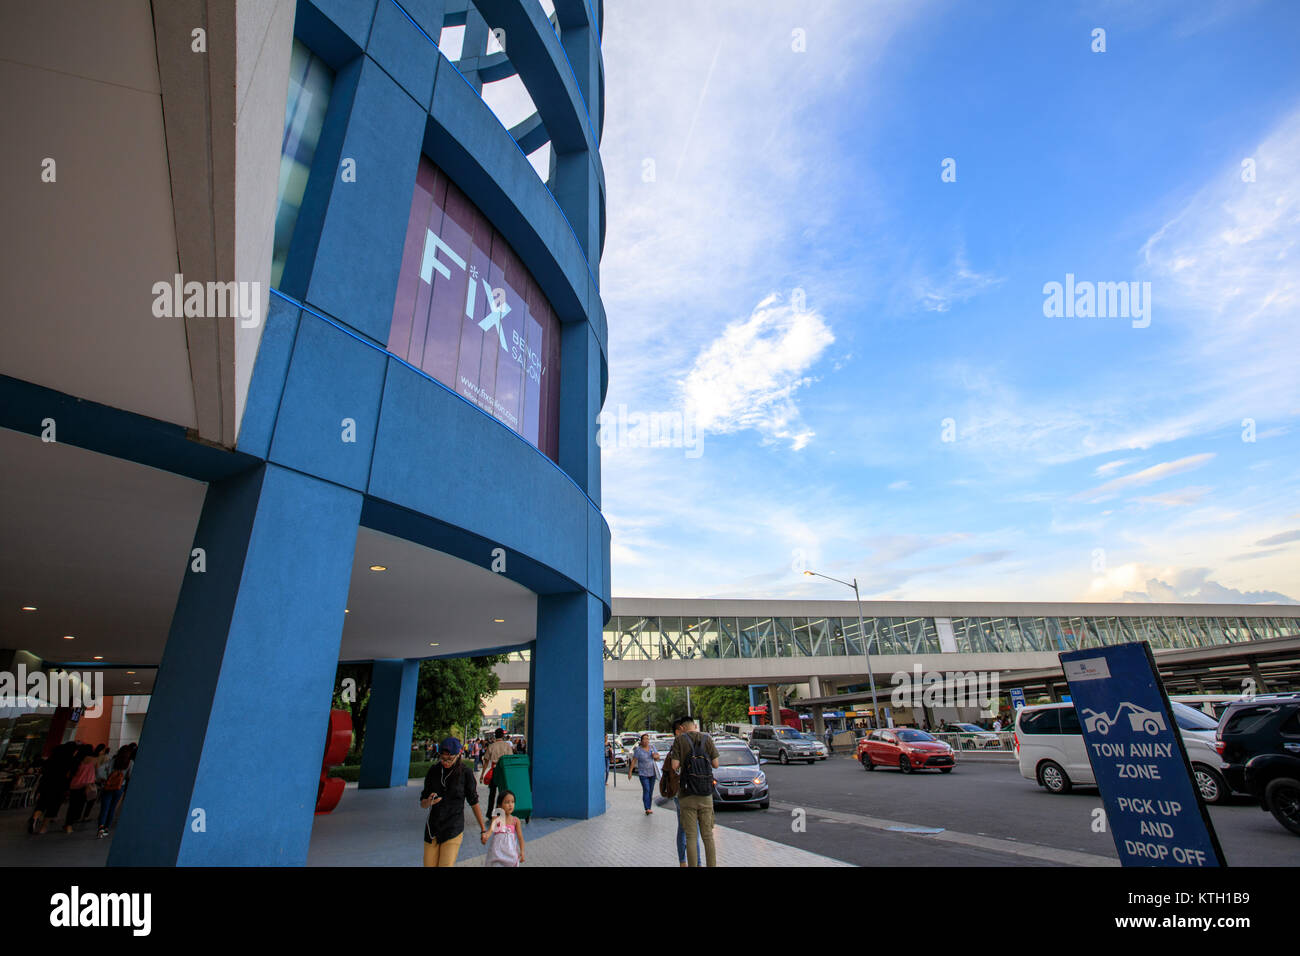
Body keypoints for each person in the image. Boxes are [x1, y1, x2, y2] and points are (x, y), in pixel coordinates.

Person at [420, 737, 485, 867]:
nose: (445, 762)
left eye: (450, 759)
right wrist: (428, 801)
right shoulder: (434, 771)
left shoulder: (465, 773)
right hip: (432, 827)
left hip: (453, 826)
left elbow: (473, 801)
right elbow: (422, 802)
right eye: (442, 758)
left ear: (458, 755)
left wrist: (483, 829)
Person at [668, 715, 719, 867]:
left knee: (691, 836)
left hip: (687, 794)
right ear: (695, 726)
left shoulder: (679, 740)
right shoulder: (707, 739)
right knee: (708, 836)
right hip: (705, 793)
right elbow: (716, 764)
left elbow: (674, 765)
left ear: (682, 728)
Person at [662, 718, 701, 867]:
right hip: (685, 792)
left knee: (685, 829)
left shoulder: (683, 745)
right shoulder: (680, 746)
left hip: (687, 792)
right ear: (679, 730)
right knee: (692, 831)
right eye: (684, 729)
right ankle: (694, 862)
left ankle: (684, 861)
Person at [29, 741, 77, 835]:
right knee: (53, 807)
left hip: (46, 784)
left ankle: (35, 817)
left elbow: (43, 771)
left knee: (42, 803)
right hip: (59, 786)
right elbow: (70, 775)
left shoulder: (51, 759)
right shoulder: (69, 761)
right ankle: (43, 828)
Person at [482, 789, 525, 866]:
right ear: (499, 806)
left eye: (512, 802)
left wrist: (522, 851)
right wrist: (486, 836)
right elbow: (491, 830)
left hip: (511, 853)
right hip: (497, 853)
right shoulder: (497, 818)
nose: (510, 805)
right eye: (507, 802)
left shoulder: (516, 820)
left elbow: (520, 837)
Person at [96, 750, 131, 838]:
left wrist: (105, 778)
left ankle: (101, 827)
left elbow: (100, 770)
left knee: (105, 807)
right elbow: (129, 775)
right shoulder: (130, 763)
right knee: (112, 808)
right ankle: (107, 828)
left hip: (108, 786)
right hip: (120, 787)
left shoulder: (112, 761)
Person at [482, 727, 514, 816]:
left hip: (494, 771)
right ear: (503, 735)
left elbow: (486, 761)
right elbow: (510, 760)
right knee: (502, 793)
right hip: (503, 772)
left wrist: (482, 774)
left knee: (492, 793)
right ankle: (498, 812)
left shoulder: (491, 746)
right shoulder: (507, 746)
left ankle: (489, 812)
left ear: (495, 735)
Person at [627, 733, 659, 814]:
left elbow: (657, 757)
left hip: (652, 773)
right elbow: (634, 760)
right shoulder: (638, 750)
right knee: (646, 789)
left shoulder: (652, 747)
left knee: (650, 791)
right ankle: (647, 808)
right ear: (641, 741)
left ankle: (649, 807)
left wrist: (655, 756)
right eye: (644, 739)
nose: (646, 740)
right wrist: (630, 772)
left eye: (647, 739)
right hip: (643, 774)